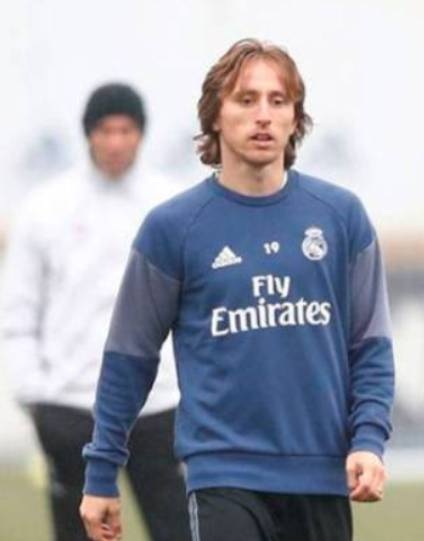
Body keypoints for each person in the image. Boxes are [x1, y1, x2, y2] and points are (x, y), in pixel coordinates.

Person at [78, 39, 395, 541]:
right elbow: (128, 357)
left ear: (295, 118)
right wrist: (101, 471)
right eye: (246, 100)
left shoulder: (341, 217)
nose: (263, 115)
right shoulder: (173, 228)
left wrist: (369, 440)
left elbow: (370, 346)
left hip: (321, 476)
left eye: (278, 100)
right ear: (215, 116)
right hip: (222, 474)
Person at [0, 83, 190, 540]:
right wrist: (37, 397)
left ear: (141, 134)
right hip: (71, 405)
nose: (116, 142)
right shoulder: (47, 207)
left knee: (180, 530)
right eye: (106, 130)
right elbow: (17, 310)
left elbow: (196, 309)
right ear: (89, 134)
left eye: (126, 131)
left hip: (158, 405)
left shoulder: (171, 206)